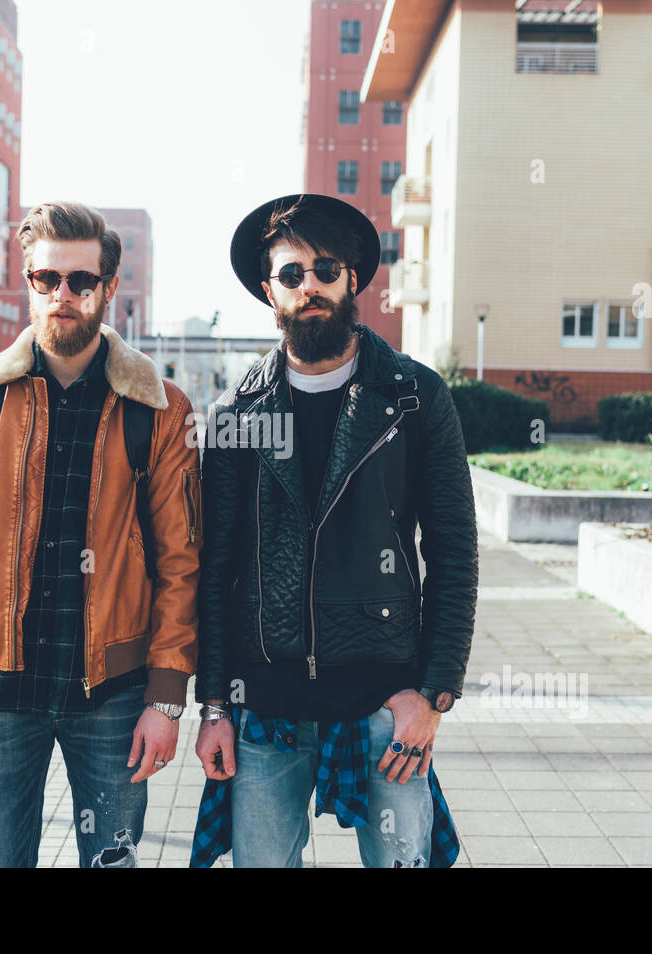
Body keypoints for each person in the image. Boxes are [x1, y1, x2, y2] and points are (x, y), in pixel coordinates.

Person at [191, 193, 478, 868]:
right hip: (265, 706)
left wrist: (433, 694)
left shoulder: (414, 396)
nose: (309, 285)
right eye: (292, 273)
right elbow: (216, 565)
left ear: (352, 279)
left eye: (325, 268)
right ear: (270, 290)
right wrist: (213, 702)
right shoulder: (238, 410)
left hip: (387, 702)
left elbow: (455, 554)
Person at [0, 201, 201, 867]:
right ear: (29, 283)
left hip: (114, 698)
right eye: (48, 279)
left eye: (81, 280)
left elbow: (181, 562)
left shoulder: (158, 409)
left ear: (107, 289)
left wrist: (167, 698)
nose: (63, 295)